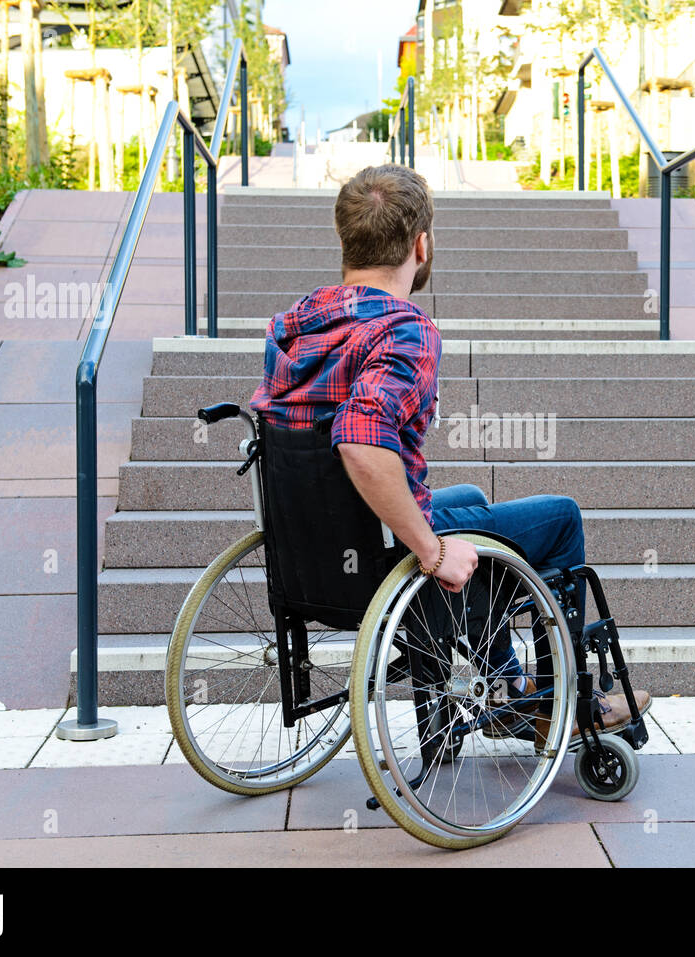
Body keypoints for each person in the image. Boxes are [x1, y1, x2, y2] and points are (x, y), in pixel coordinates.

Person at [249, 163, 650, 738]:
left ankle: (507, 688)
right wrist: (432, 551)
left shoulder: (294, 325)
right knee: (560, 519)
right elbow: (360, 442)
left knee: (471, 498)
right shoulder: (401, 331)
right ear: (421, 243)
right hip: (384, 553)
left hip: (314, 554)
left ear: (347, 240)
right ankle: (551, 706)